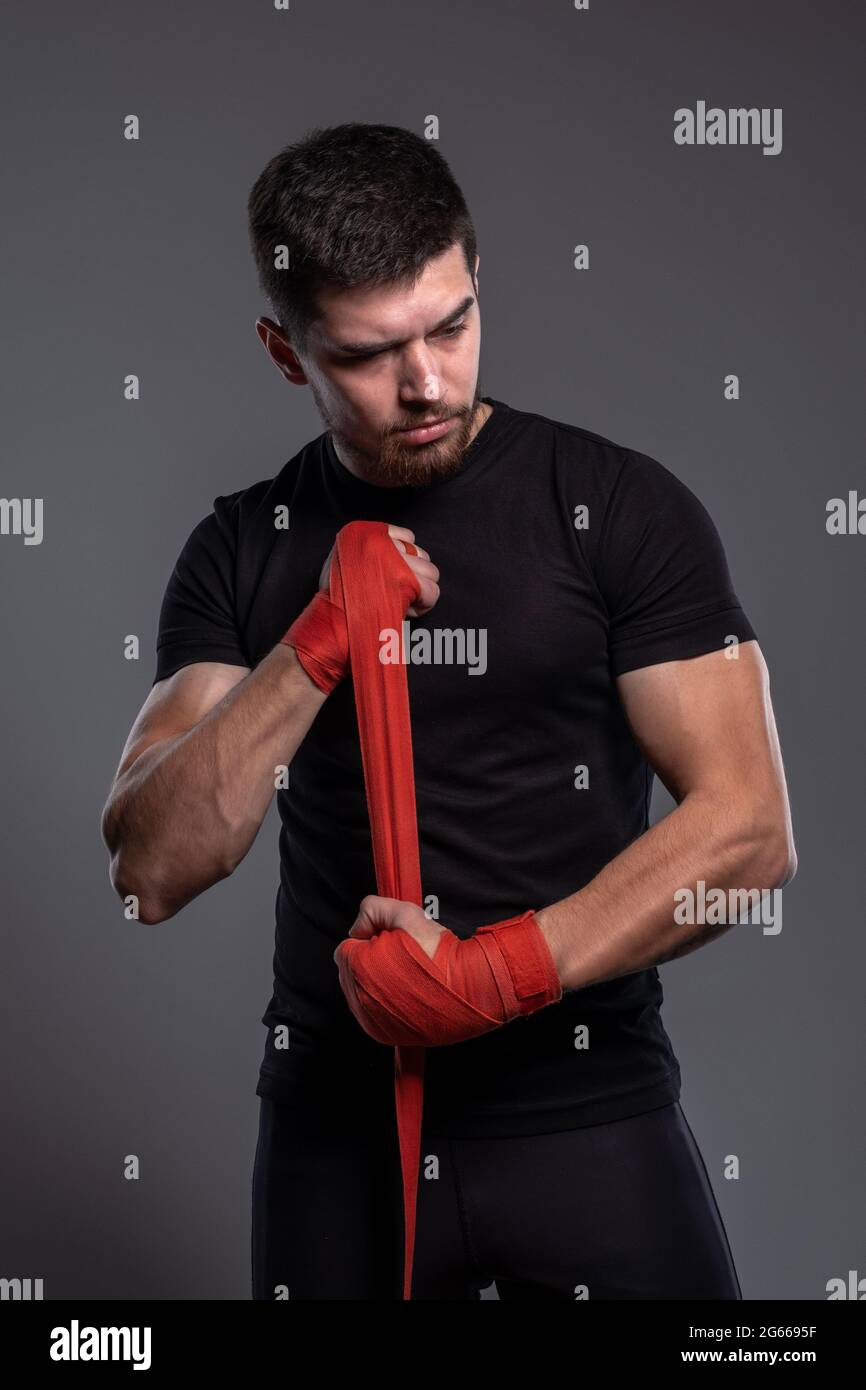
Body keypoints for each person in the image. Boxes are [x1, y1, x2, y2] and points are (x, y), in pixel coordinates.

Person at [101, 122, 797, 1300]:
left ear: (477, 283)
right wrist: (313, 645)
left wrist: (495, 973)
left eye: (451, 325)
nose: (425, 383)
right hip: (338, 1129)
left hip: (585, 1110)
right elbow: (152, 867)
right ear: (286, 353)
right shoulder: (241, 549)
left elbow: (748, 828)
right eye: (370, 354)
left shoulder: (613, 508)